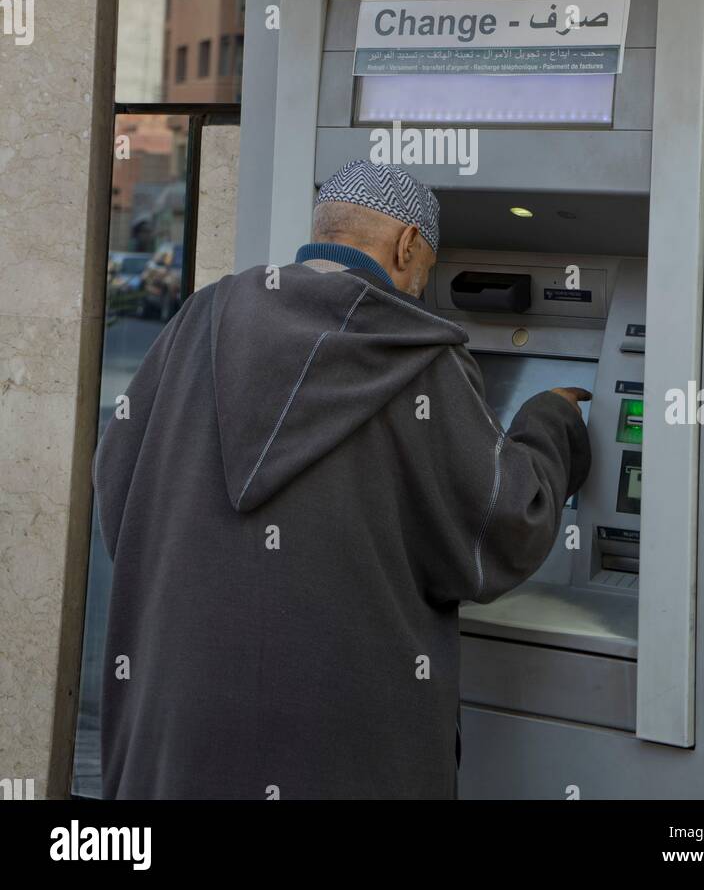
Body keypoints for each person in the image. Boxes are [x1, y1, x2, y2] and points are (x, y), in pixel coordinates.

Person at [94, 159, 591, 800]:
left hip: (178, 725)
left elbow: (117, 484)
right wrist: (550, 421)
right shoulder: (416, 354)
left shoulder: (200, 319)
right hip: (347, 743)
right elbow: (504, 527)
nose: (417, 291)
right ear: (407, 243)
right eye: (426, 272)